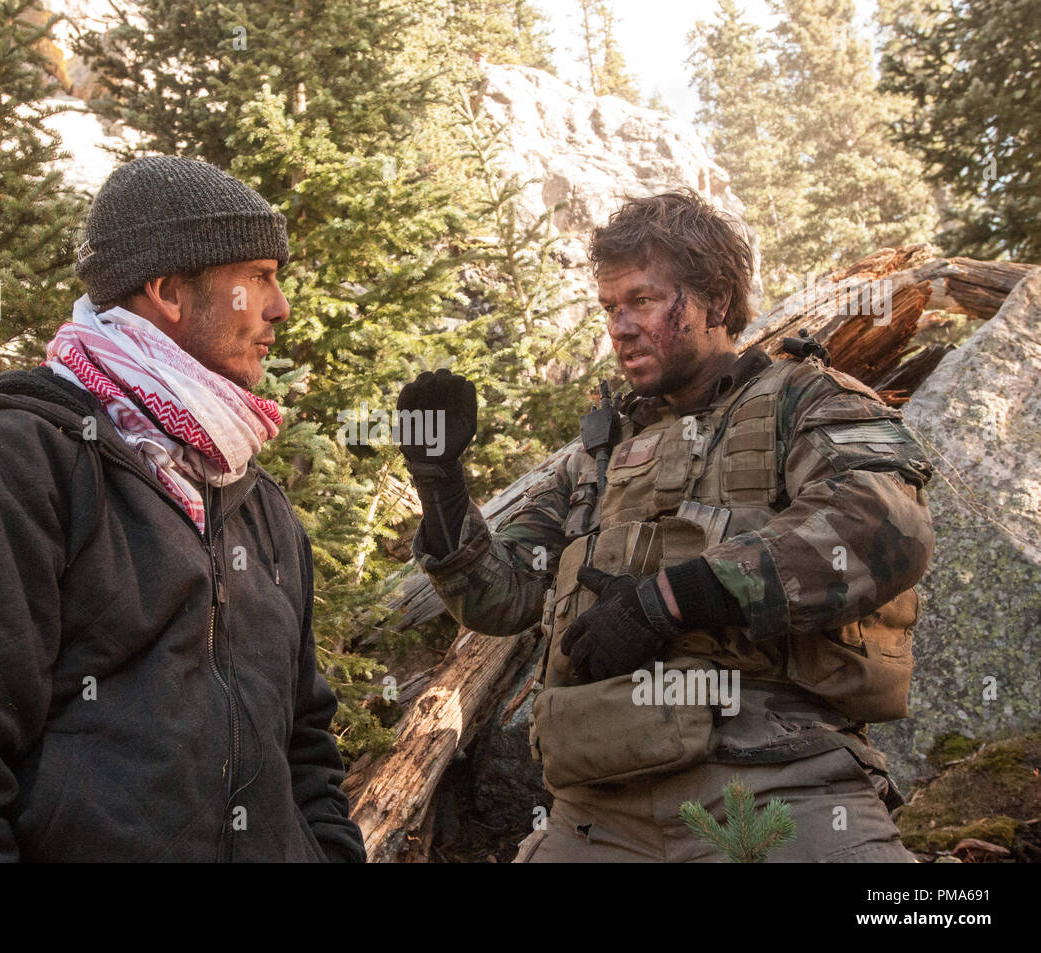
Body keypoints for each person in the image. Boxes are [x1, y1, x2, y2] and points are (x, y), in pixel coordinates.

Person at [0, 155, 366, 863]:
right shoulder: (12, 470)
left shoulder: (257, 503)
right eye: (257, 277)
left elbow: (307, 747)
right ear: (166, 290)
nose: (280, 306)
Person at [397, 189, 934, 862]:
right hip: (595, 808)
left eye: (642, 301)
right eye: (608, 308)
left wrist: (671, 600)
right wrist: (441, 485)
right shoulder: (599, 456)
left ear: (713, 300)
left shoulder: (804, 399)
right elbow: (500, 596)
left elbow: (883, 524)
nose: (619, 326)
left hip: (775, 780)